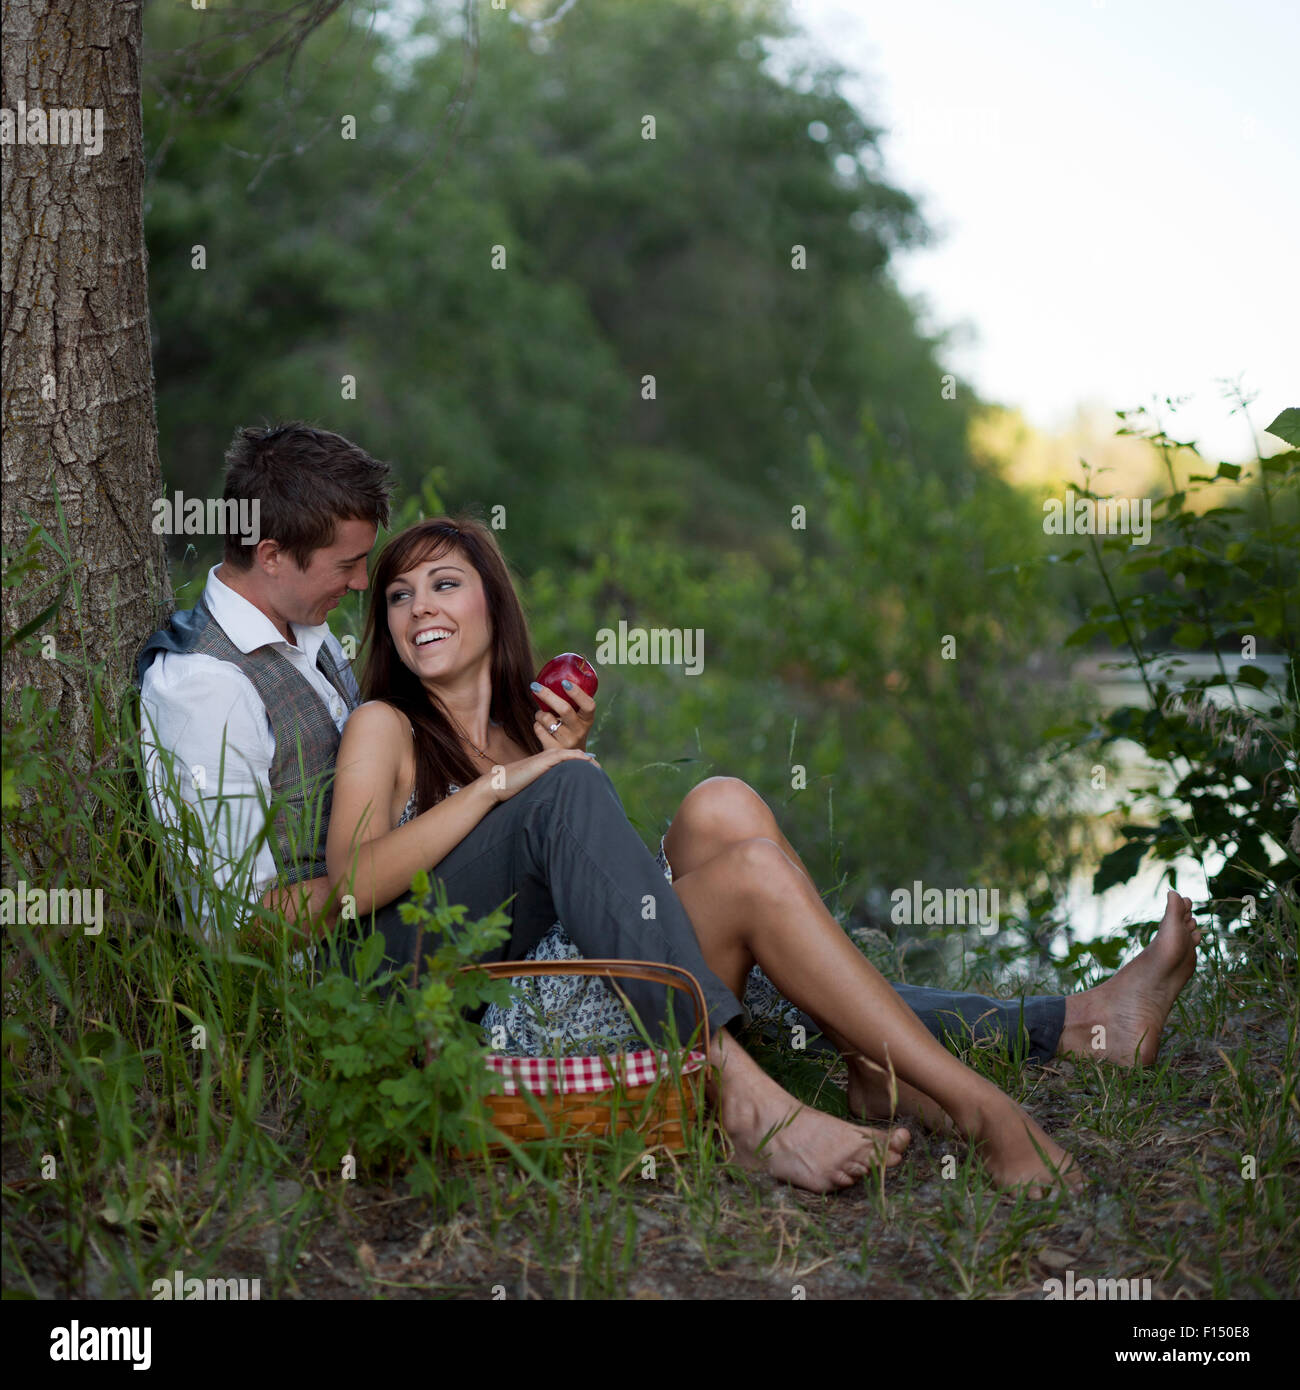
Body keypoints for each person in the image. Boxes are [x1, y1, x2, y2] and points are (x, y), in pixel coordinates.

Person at [326, 514, 1204, 1197]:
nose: (419, 608)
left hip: (581, 972)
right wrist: (507, 788)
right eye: (398, 596)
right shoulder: (386, 724)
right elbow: (349, 885)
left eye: (444, 583)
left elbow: (608, 893)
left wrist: (540, 764)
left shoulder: (530, 731)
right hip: (485, 1009)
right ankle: (952, 1105)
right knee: (720, 866)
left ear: (492, 604)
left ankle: (899, 1061)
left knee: (724, 807)